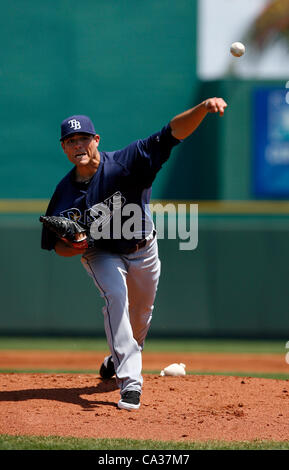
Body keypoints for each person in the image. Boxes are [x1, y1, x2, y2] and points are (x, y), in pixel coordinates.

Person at [41, 97, 228, 410]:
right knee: (115, 296)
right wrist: (73, 246)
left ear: (96, 140)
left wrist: (203, 109)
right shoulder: (65, 193)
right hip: (100, 253)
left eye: (83, 138)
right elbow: (58, 248)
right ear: (64, 148)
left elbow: (171, 133)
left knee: (139, 318)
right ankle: (130, 384)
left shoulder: (129, 160)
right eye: (70, 141)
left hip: (144, 249)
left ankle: (115, 359)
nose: (78, 145)